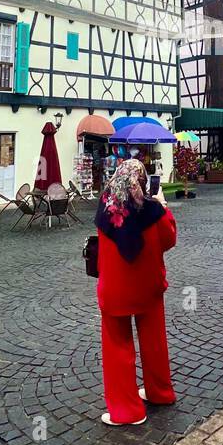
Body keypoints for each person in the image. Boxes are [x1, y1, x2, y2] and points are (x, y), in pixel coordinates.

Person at [95, 159, 177, 427]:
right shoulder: (152, 209)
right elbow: (169, 240)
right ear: (141, 180)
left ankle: (127, 410)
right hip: (149, 285)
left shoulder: (107, 208)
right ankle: (160, 392)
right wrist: (162, 205)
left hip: (116, 287)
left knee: (117, 346)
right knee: (154, 340)